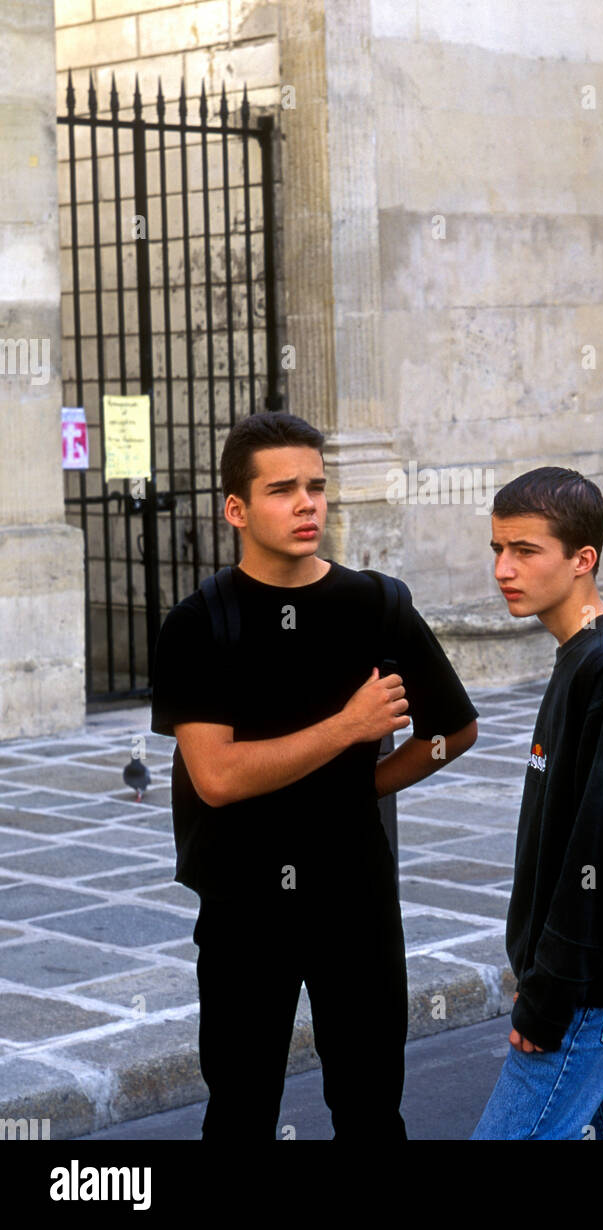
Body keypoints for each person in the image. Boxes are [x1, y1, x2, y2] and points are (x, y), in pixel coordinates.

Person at [150, 411, 479, 1141]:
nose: (307, 504)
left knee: (369, 1111)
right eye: (282, 490)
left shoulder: (377, 604)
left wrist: (358, 785)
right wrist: (348, 731)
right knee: (240, 1110)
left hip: (354, 895)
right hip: (243, 905)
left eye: (316, 486)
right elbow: (218, 778)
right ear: (236, 509)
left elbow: (451, 733)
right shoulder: (199, 624)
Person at [471, 466, 603, 1140]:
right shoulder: (579, 658)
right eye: (498, 549)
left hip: (587, 991)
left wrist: (548, 998)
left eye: (525, 551)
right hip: (600, 983)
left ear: (583, 559)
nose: (504, 568)